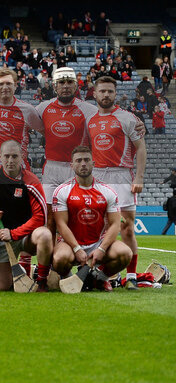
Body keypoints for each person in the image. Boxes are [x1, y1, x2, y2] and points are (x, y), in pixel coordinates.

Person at [84, 76, 146, 288]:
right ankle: (103, 275)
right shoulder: (90, 120)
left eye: (110, 91)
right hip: (98, 177)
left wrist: (139, 177)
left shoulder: (127, 118)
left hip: (121, 176)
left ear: (115, 93)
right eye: (102, 91)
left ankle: (130, 277)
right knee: (98, 227)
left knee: (127, 227)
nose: (106, 95)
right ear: (95, 93)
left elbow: (141, 148)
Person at [0, 140, 53, 292]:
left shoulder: (31, 181)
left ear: (22, 156)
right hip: (2, 237)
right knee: (0, 287)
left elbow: (40, 217)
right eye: (6, 156)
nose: (10, 161)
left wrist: (14, 233)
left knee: (45, 234)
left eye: (14, 156)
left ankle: (42, 281)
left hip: (25, 236)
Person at [51, 146, 131, 287]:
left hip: (98, 243)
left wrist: (102, 249)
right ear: (72, 165)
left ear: (93, 164)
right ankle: (72, 280)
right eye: (79, 160)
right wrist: (76, 249)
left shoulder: (107, 191)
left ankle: (99, 279)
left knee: (125, 253)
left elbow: (115, 224)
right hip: (70, 244)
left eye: (87, 160)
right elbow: (61, 224)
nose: (83, 164)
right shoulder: (62, 191)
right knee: (59, 259)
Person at [34, 67, 100, 199]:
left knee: (77, 211)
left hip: (77, 166)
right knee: (50, 214)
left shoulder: (90, 110)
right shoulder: (43, 107)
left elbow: (110, 119)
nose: (65, 86)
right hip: (52, 167)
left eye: (70, 82)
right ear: (55, 86)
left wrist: (134, 121)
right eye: (61, 83)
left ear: (75, 86)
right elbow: (23, 120)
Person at [162, 169, 176, 235]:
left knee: (168, 224)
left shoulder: (170, 199)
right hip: (174, 215)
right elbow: (168, 178)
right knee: (169, 223)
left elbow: (166, 206)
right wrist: (164, 182)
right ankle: (163, 232)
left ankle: (163, 233)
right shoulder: (172, 176)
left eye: (173, 171)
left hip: (170, 215)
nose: (172, 172)